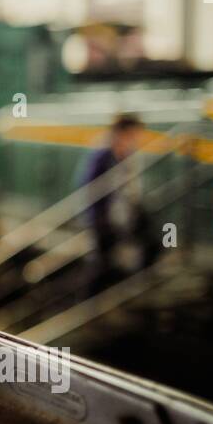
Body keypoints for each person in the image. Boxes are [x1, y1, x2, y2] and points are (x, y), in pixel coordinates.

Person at [78, 113, 149, 295]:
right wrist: (98, 218)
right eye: (133, 133)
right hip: (103, 216)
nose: (136, 138)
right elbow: (90, 186)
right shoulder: (103, 153)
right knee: (101, 259)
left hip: (120, 215)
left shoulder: (127, 153)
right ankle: (91, 302)